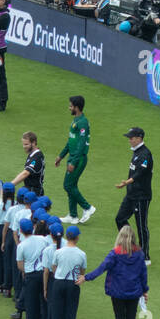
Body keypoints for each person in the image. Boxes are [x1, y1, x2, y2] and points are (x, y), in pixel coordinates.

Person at [83, 225, 149, 319]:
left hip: (118, 291)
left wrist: (86, 277)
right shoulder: (139, 253)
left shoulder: (115, 253)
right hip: (134, 291)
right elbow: (143, 273)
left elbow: (102, 268)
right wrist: (144, 290)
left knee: (120, 318)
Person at [46, 226, 87, 319]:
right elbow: (82, 272)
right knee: (70, 315)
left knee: (57, 314)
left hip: (58, 283)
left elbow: (54, 268)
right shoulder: (81, 254)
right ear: (77, 237)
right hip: (73, 284)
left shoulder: (58, 252)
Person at [56, 95, 96, 226]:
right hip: (72, 157)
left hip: (78, 159)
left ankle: (88, 208)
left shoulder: (83, 123)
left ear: (77, 107)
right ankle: (73, 216)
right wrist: (61, 156)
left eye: (71, 106)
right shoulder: (76, 121)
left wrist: (73, 162)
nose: (69, 108)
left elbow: (81, 144)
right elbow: (71, 141)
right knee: (71, 186)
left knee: (67, 185)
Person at [115, 126, 153, 263]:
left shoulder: (145, 154)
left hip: (141, 196)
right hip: (131, 194)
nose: (129, 140)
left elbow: (139, 174)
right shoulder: (136, 152)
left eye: (131, 138)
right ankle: (132, 246)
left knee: (141, 225)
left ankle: (145, 256)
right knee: (120, 219)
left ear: (139, 138)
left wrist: (126, 182)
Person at [15, 218, 52, 319]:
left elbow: (20, 265)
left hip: (31, 275)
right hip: (44, 274)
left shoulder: (21, 245)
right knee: (45, 300)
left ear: (21, 230)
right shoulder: (42, 239)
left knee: (31, 305)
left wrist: (25, 272)